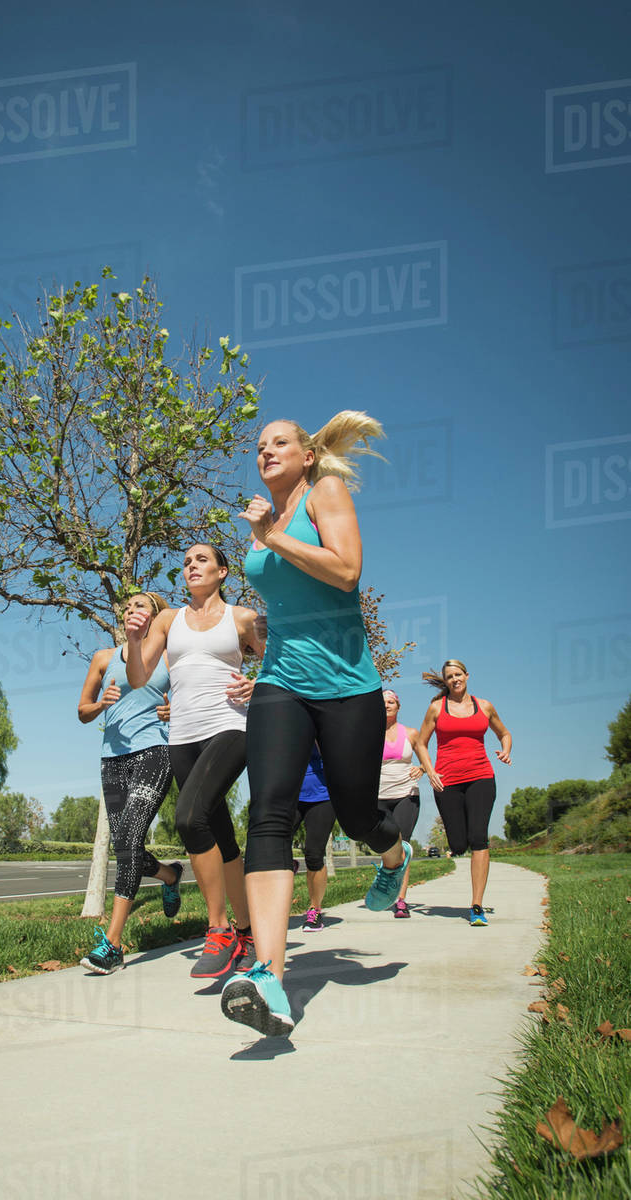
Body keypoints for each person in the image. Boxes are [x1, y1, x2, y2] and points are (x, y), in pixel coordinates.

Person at [220, 412, 411, 1038]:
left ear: (306, 455)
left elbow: (346, 571)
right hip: (281, 680)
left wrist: (272, 537)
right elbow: (284, 601)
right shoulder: (261, 526)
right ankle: (270, 978)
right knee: (268, 812)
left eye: (279, 443)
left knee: (356, 815)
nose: (265, 451)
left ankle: (393, 855)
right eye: (259, 446)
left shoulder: (323, 493)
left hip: (349, 685)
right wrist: (257, 640)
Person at [126, 544, 264, 979]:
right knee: (220, 835)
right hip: (182, 737)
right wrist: (134, 640)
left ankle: (219, 929)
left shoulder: (243, 618)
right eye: (186, 562)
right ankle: (248, 934)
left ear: (223, 571)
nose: (191, 566)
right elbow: (138, 677)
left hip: (230, 727)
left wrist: (259, 684)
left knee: (188, 818)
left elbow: (282, 662)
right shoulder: (168, 620)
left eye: (201, 560)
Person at [76, 592, 183, 974]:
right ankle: (170, 874)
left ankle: (113, 943)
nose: (131, 610)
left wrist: (174, 708)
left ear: (155, 616)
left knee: (129, 838)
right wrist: (101, 704)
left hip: (155, 751)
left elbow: (190, 698)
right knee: (126, 845)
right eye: (127, 607)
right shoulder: (103, 658)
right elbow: (82, 711)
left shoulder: (169, 655)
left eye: (141, 606)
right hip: (113, 759)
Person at [414, 660, 512, 926]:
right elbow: (421, 743)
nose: (455, 679)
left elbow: (504, 733)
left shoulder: (485, 706)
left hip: (481, 777)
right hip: (447, 781)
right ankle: (459, 844)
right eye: (449, 677)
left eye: (458, 674)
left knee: (479, 838)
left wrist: (506, 751)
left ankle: (476, 906)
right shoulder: (437, 708)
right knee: (458, 845)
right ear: (445, 681)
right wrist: (430, 771)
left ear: (467, 676)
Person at [378, 689, 424, 918]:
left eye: (391, 702)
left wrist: (422, 768)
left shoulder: (411, 733)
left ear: (398, 706)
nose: (387, 705)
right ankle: (387, 883)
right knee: (387, 847)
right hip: (378, 796)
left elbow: (426, 759)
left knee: (402, 846)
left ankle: (401, 900)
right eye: (383, 702)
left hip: (407, 793)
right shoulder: (369, 732)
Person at [293, 746, 337, 932]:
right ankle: (288, 865)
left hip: (323, 796)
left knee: (314, 854)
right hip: (290, 793)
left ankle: (315, 910)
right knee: (273, 844)